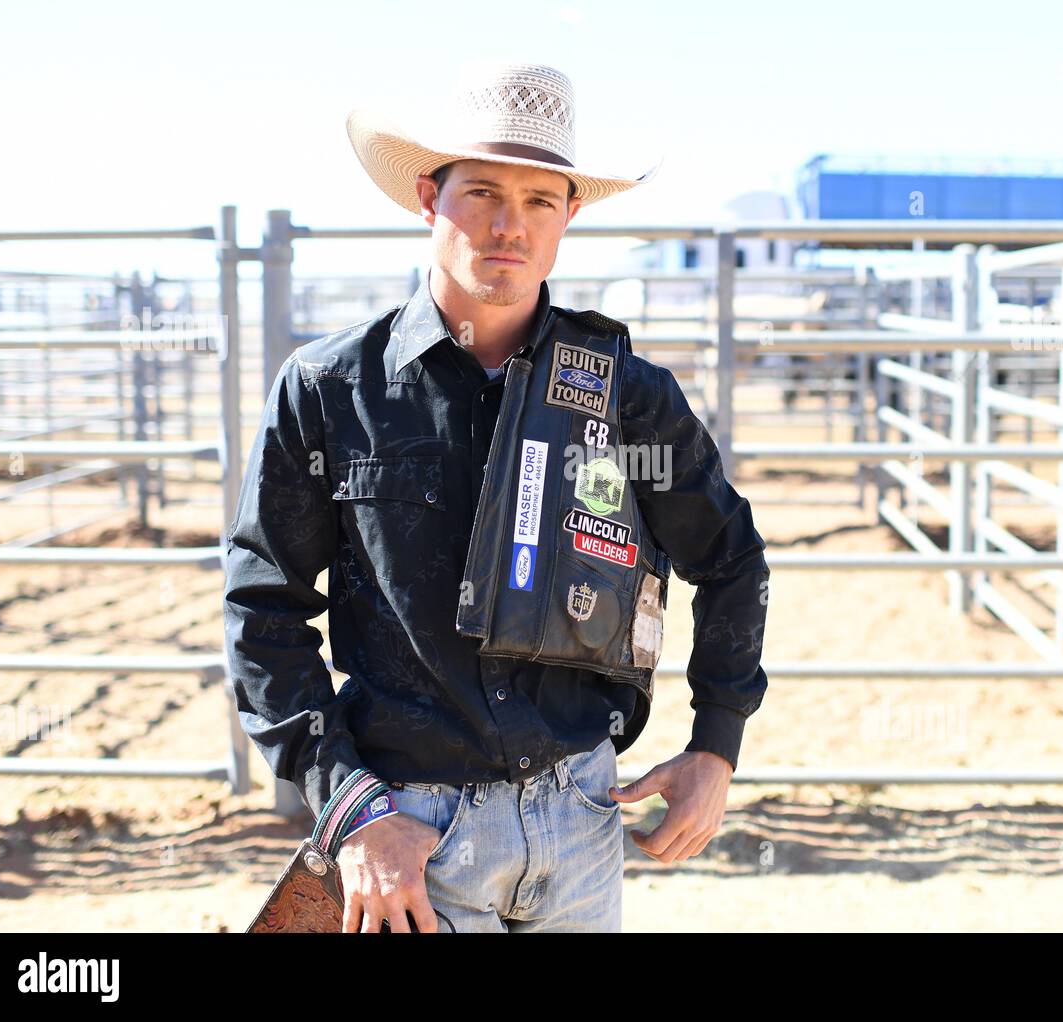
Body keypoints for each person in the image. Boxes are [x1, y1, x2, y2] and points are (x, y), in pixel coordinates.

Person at [222, 61, 769, 933]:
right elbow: (262, 614)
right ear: (427, 196)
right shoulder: (330, 390)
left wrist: (717, 746)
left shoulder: (628, 395)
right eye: (480, 193)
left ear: (569, 216)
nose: (508, 226)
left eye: (539, 201)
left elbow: (733, 559)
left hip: (581, 820)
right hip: (406, 834)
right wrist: (353, 811)